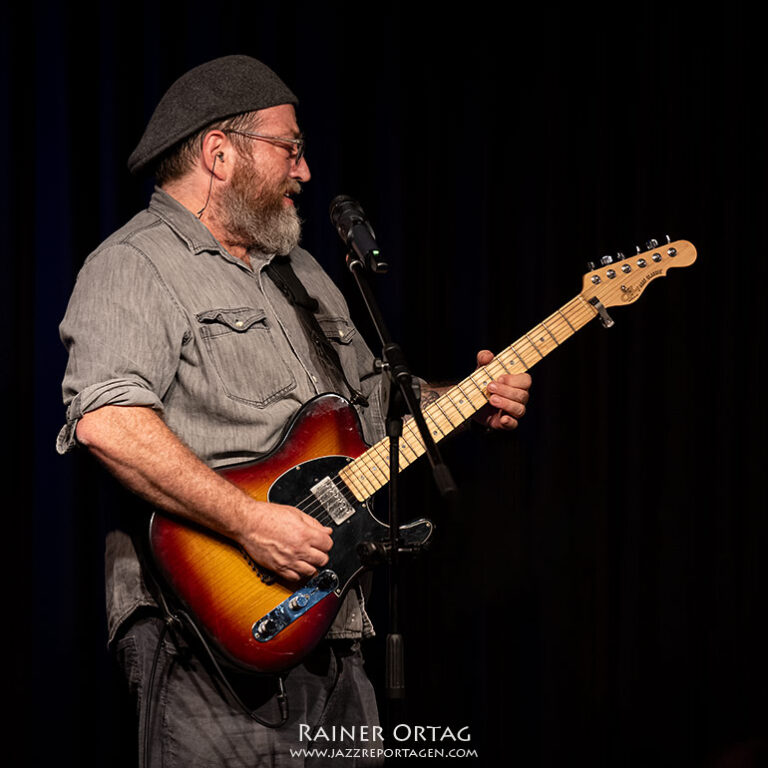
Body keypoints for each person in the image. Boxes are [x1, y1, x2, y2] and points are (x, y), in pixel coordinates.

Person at [56, 55, 532, 767]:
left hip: (333, 623)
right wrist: (249, 522)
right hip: (207, 639)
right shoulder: (133, 264)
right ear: (220, 153)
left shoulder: (302, 273)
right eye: (291, 149)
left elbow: (373, 420)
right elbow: (107, 421)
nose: (304, 172)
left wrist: (460, 398)